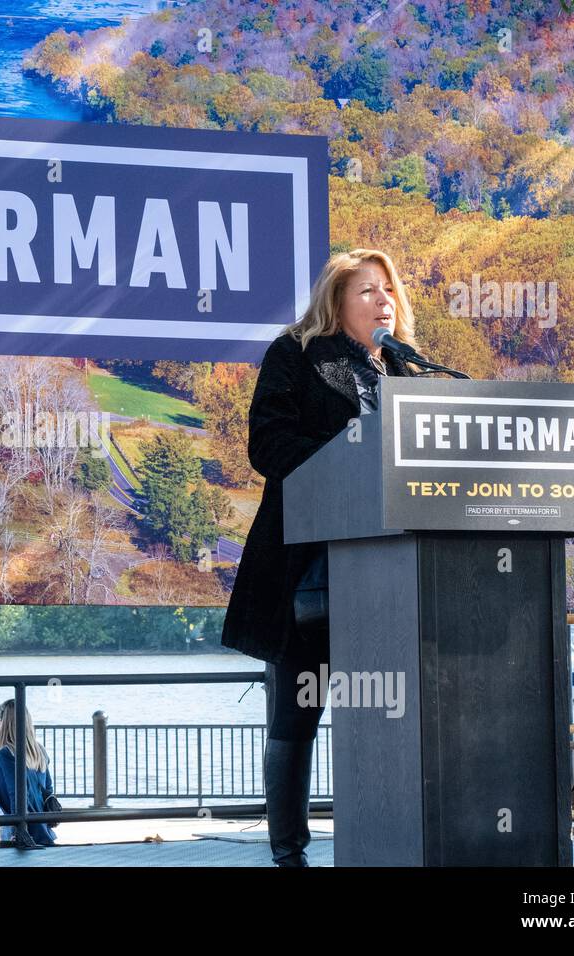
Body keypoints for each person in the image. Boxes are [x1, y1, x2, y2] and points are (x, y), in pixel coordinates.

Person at [220, 248, 424, 866]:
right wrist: (350, 454)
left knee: (391, 712)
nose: (382, 299)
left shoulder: (408, 377)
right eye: (366, 290)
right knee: (298, 713)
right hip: (308, 573)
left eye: (388, 289)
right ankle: (289, 852)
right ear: (336, 303)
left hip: (393, 576)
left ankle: (391, 841)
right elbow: (269, 444)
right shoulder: (295, 355)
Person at [0, 698, 57, 846]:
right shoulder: (39, 750)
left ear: (3, 723)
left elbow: (18, 794)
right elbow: (46, 789)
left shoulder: (7, 754)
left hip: (17, 826)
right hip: (41, 827)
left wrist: (18, 830)